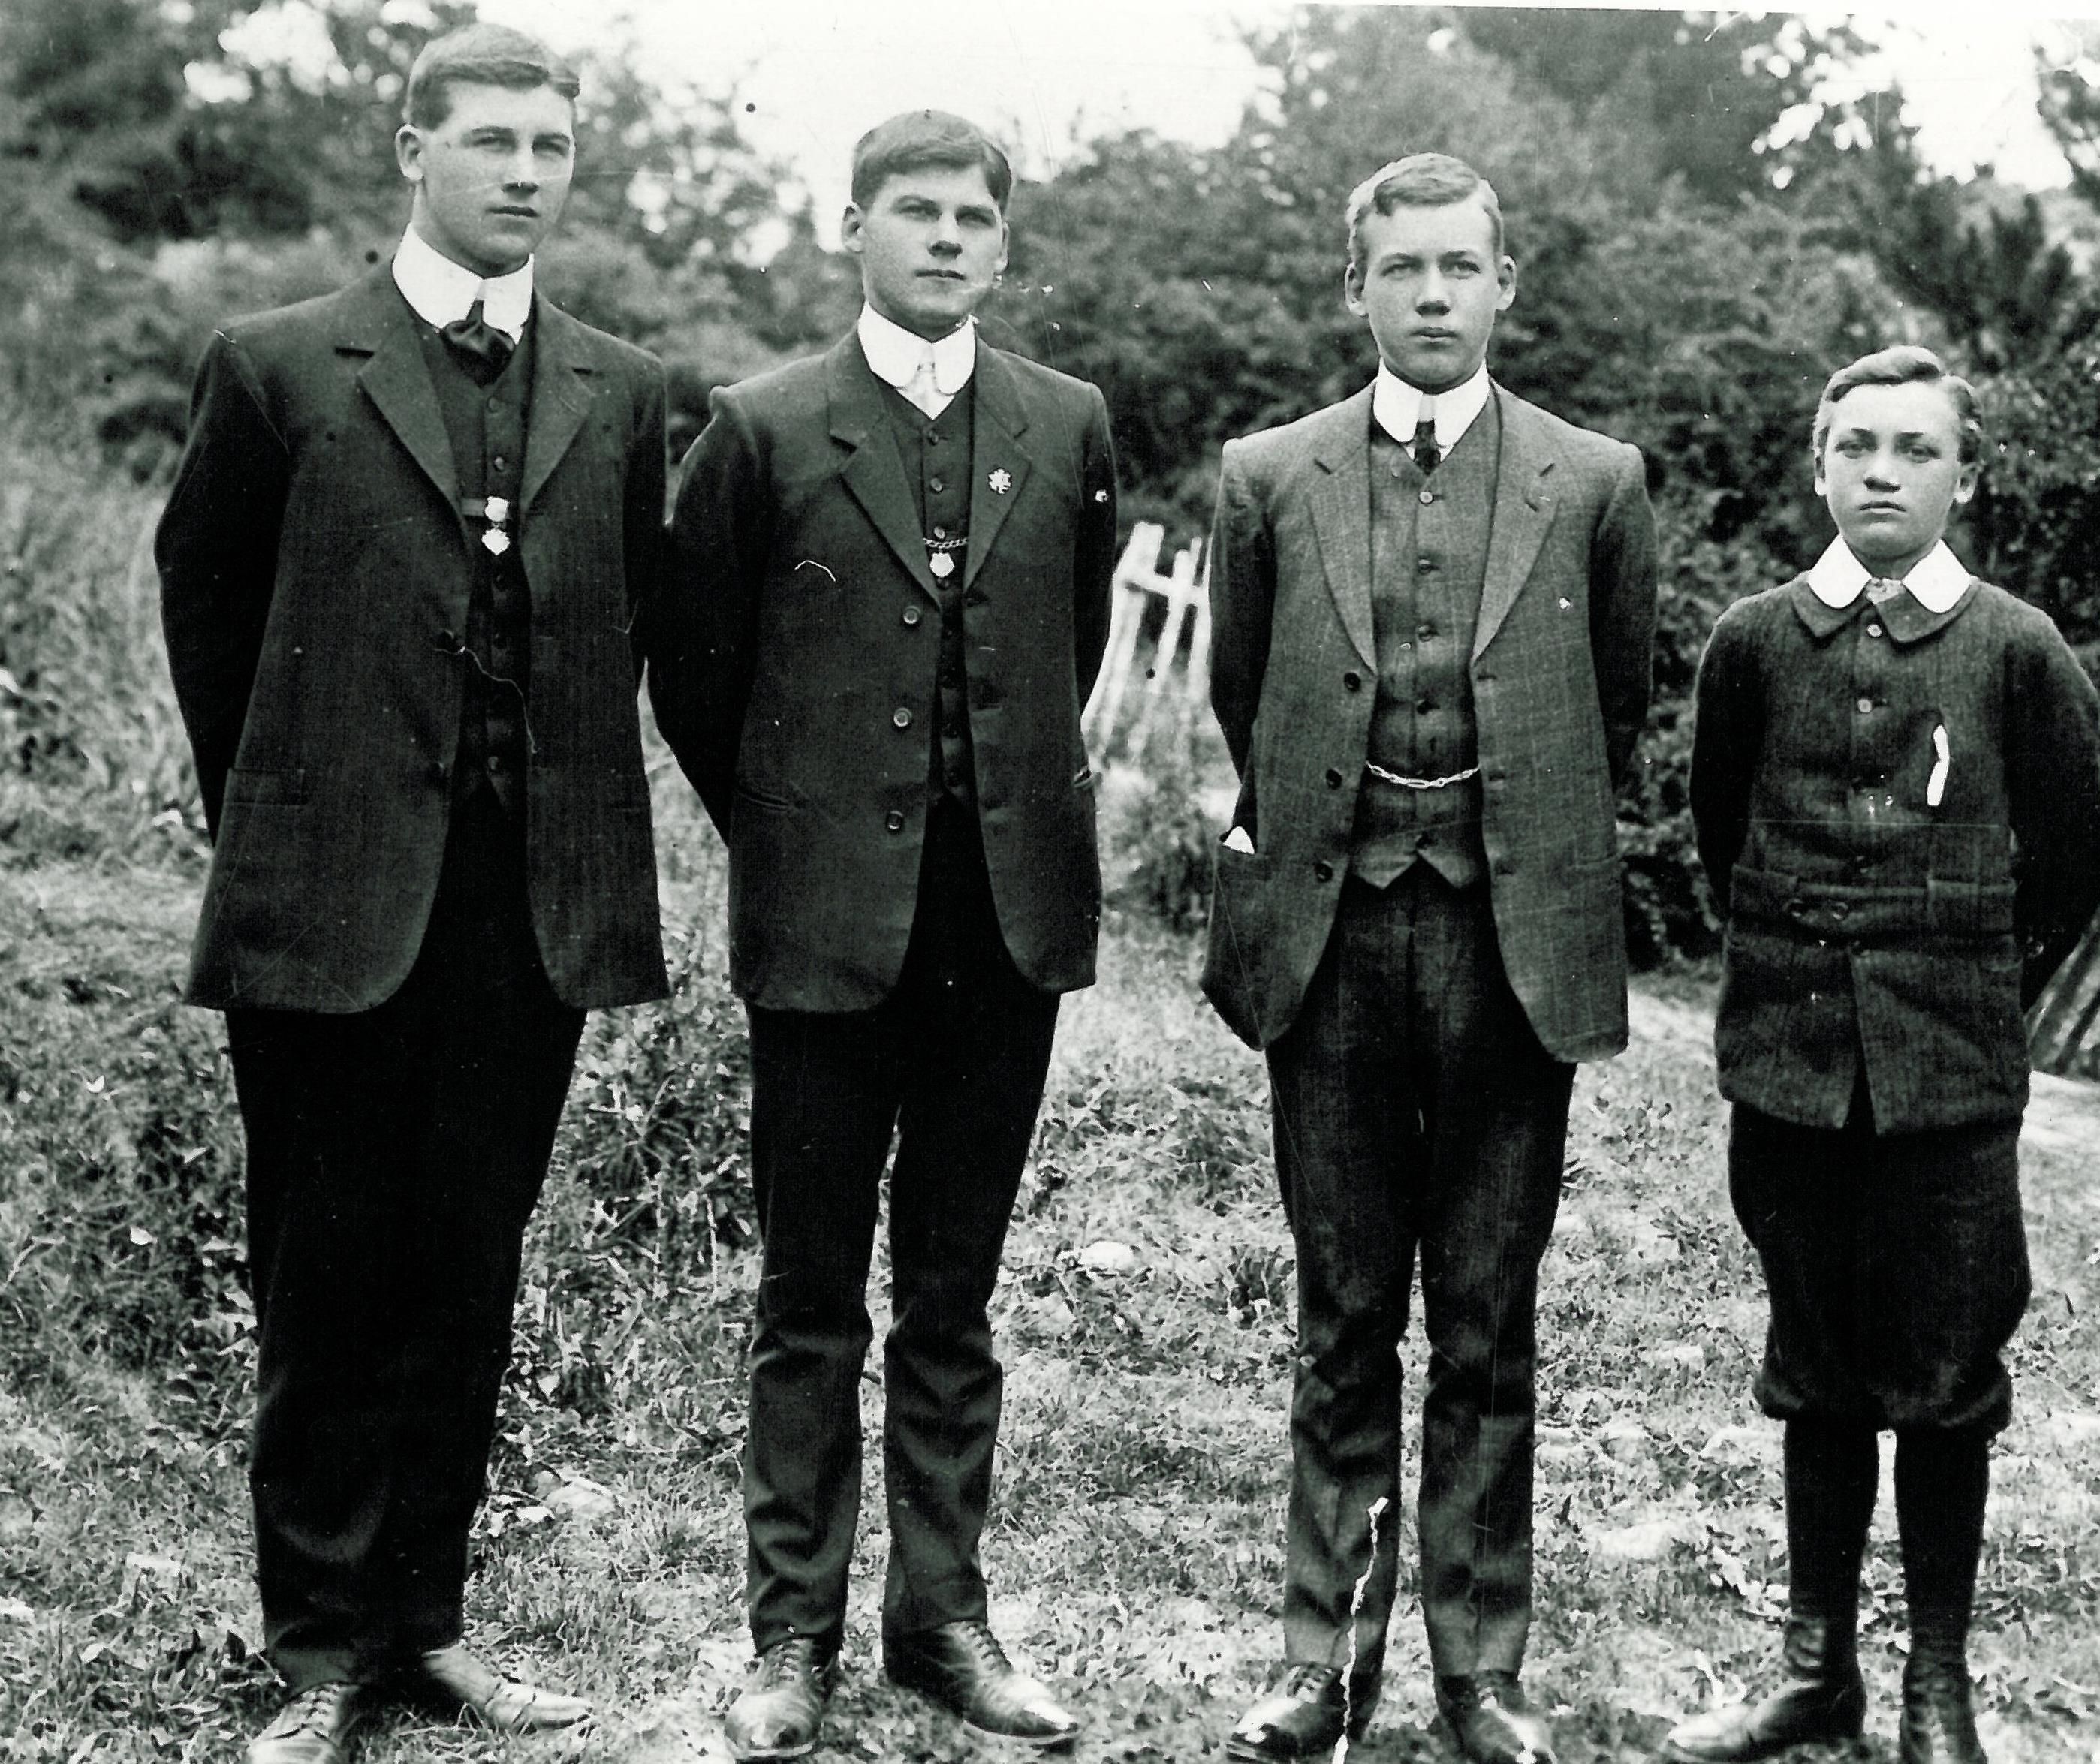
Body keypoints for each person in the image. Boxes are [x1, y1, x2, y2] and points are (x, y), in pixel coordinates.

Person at [153, 23, 670, 1764]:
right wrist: (296, 815)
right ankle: (314, 1651)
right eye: (496, 140)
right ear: (409, 150)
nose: (529, 170)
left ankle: (427, 1623)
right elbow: (207, 613)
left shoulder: (619, 387)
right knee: (324, 1266)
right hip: (327, 901)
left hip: (528, 909)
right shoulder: (281, 363)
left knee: (469, 1261)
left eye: (555, 145)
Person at [648, 110, 1116, 1760]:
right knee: (808, 1291)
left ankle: (944, 1617)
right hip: (823, 930)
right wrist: (799, 835)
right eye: (909, 211)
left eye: (970, 214)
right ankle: (792, 1633)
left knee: (955, 1293)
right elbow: (695, 674)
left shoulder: (1066, 425)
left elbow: (1071, 634)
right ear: (851, 226)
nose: (942, 237)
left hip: (1002, 929)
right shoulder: (764, 426)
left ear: (1004, 239)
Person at [1201, 151, 1656, 1764]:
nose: (1436, 295)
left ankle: (1480, 1669)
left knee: (1484, 1312)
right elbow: (1242, 690)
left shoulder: (1595, 482)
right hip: (1330, 936)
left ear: (1507, 284)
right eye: (1404, 269)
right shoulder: (1267, 475)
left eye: (1463, 267)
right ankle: (1320, 1662)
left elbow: (1604, 694)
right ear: (1359, 289)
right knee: (1340, 1309)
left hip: (1507, 937)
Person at [1666, 346, 2100, 1764]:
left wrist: (1957, 987)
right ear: (1816, 466)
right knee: (1817, 1366)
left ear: (1964, 477)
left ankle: (1937, 1680)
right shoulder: (1752, 641)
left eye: (1916, 449)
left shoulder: (2018, 650)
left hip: (1949, 1087)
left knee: (1942, 1378)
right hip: (1789, 1076)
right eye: (1856, 444)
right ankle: (1815, 1669)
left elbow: (2073, 864)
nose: (1881, 471)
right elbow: (1717, 825)